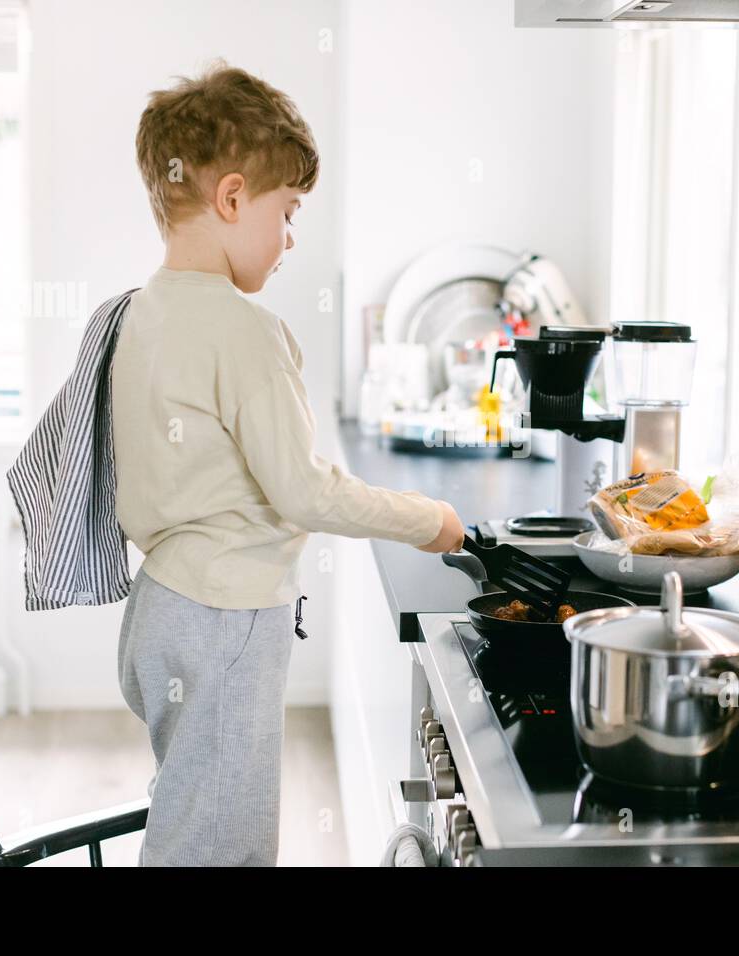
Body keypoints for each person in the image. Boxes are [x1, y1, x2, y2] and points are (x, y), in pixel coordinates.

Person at [110, 61, 464, 866]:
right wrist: (429, 520)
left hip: (160, 611)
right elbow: (304, 491)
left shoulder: (141, 311)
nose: (291, 236)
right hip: (225, 617)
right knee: (221, 846)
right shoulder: (245, 330)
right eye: (288, 210)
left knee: (189, 814)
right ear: (232, 199)